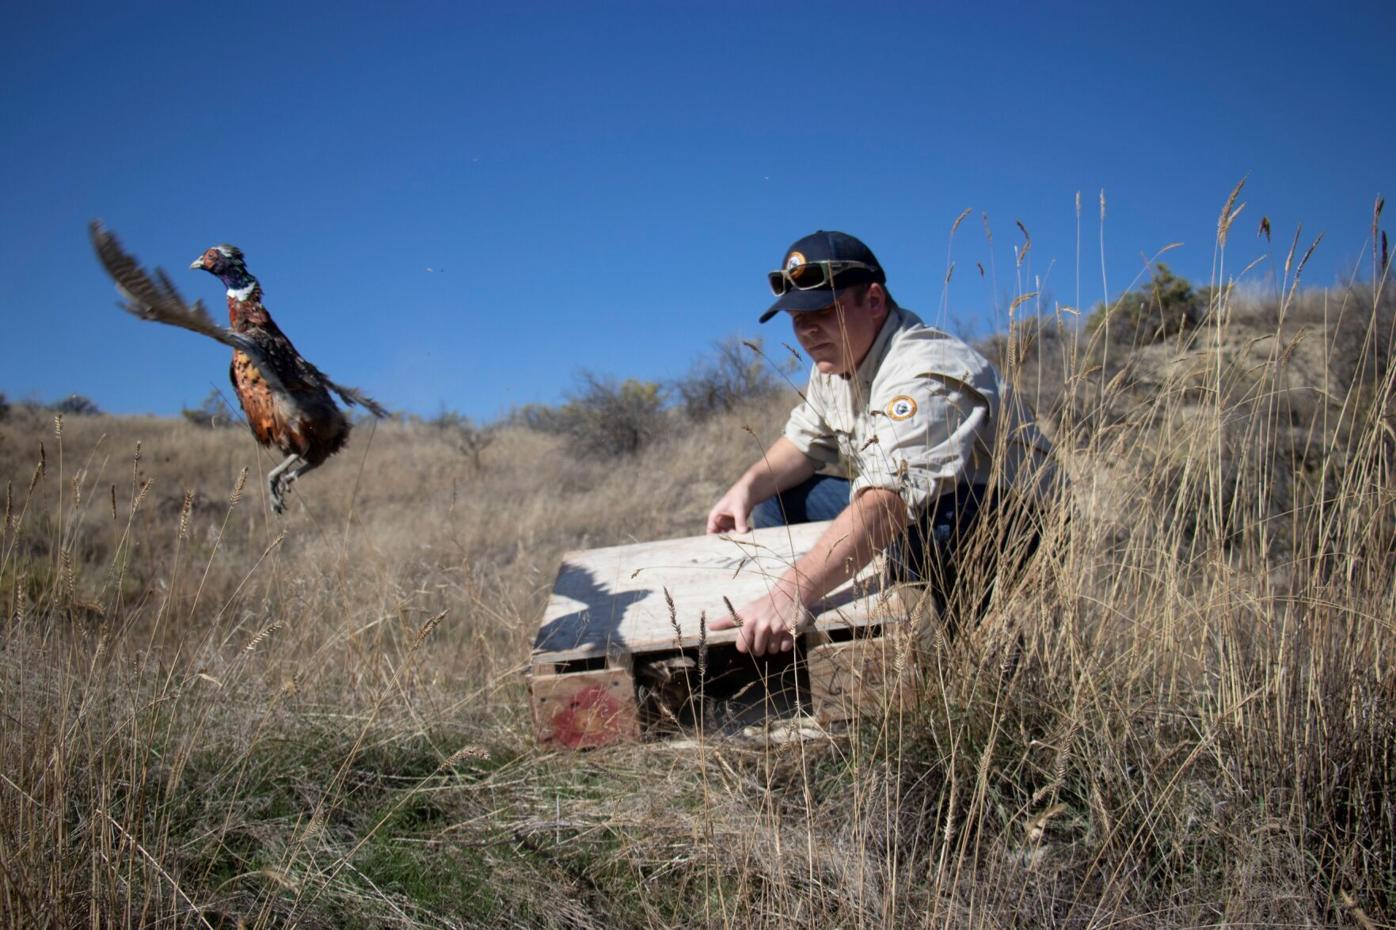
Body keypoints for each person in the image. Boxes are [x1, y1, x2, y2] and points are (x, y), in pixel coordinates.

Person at [707, 230, 1055, 656]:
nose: (809, 331)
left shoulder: (925, 369)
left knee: (916, 531)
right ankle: (788, 647)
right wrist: (743, 489)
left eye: (824, 311)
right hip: (922, 511)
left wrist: (793, 588)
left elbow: (889, 502)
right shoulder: (834, 364)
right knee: (773, 502)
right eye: (798, 319)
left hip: (1015, 523)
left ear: (873, 301)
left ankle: (950, 659)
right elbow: (802, 445)